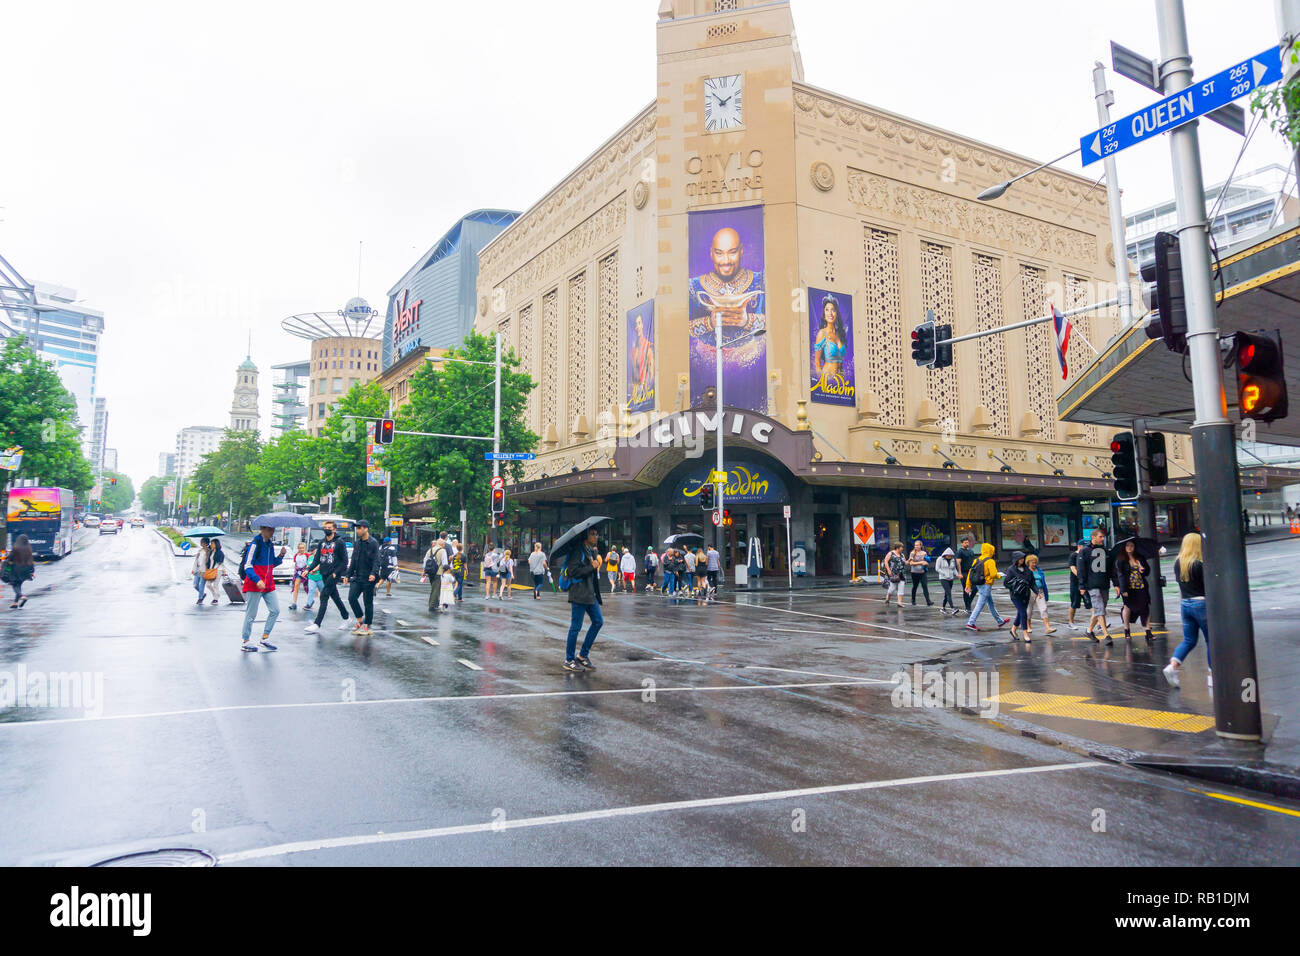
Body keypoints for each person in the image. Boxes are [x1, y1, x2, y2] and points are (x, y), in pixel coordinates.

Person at [1164, 532, 1211, 688]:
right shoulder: (1199, 564)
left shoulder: (1178, 563)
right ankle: (1212, 675)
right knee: (1211, 641)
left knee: (1189, 640)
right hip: (1201, 604)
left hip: (1185, 604)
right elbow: (1208, 587)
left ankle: (1172, 666)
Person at [562, 526, 604, 672]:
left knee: (598, 621)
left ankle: (582, 655)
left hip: (590, 594)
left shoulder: (591, 551)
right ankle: (569, 659)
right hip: (579, 594)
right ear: (586, 536)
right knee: (575, 627)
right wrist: (591, 567)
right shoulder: (577, 551)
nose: (596, 536)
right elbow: (573, 572)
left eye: (596, 533)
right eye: (593, 534)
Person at [238, 525, 286, 652]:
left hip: (268, 584)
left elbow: (272, 564)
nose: (272, 532)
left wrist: (281, 556)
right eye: (270, 529)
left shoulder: (269, 545)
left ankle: (265, 638)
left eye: (273, 529)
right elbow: (247, 565)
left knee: (275, 610)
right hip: (254, 584)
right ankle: (245, 641)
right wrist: (257, 579)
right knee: (251, 614)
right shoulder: (255, 544)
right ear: (262, 529)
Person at [305, 521, 350, 633]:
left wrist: (336, 573)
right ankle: (347, 618)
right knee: (335, 597)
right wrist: (308, 569)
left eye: (329, 528)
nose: (327, 529)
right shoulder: (321, 543)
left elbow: (345, 561)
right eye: (325, 528)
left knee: (324, 596)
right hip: (324, 573)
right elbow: (317, 560)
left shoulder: (339, 542)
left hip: (333, 574)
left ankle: (317, 623)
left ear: (334, 529)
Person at [1113, 539, 1153, 643]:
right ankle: (1126, 629)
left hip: (1141, 586)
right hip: (1128, 587)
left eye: (1131, 546)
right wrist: (1123, 589)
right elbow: (1120, 575)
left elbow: (1147, 571)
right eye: (1127, 546)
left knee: (1145, 606)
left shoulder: (1140, 558)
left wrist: (1143, 570)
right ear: (1124, 547)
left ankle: (1148, 631)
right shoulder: (1121, 560)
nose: (1129, 548)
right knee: (1127, 607)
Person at [345, 520, 380, 635]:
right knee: (351, 598)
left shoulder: (373, 543)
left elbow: (376, 560)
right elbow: (354, 560)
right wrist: (348, 575)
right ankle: (360, 620)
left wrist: (373, 574)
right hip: (357, 577)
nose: (358, 530)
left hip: (369, 577)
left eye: (359, 528)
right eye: (357, 528)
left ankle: (367, 625)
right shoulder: (357, 543)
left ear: (366, 528)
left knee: (368, 602)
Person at [1080, 528, 1113, 645]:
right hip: (1092, 585)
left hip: (1104, 583)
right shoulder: (1085, 551)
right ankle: (1106, 634)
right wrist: (1082, 586)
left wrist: (1116, 583)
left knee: (1100, 609)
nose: (1103, 539)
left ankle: (1089, 631)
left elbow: (1110, 568)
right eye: (1100, 537)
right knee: (1100, 608)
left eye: (1103, 537)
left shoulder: (1105, 551)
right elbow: (1081, 569)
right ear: (1093, 537)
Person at [964, 543, 1008, 632]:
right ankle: (970, 623)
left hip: (978, 583)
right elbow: (993, 574)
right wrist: (1000, 576)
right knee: (980, 604)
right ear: (991, 551)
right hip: (986, 584)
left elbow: (970, 573)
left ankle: (1000, 621)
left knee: (990, 603)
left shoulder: (976, 560)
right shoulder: (990, 561)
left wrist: (968, 585)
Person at [1003, 551, 1033, 642]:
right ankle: (1025, 633)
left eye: (1023, 558)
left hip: (1026, 594)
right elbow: (1006, 583)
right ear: (1016, 559)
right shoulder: (1011, 569)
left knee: (1020, 613)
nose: (1022, 560)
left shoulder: (1027, 569)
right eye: (1020, 558)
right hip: (1016, 595)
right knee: (1023, 613)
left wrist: (1037, 592)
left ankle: (1013, 630)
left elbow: (1032, 582)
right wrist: (1015, 587)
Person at [1025, 553, 1056, 637]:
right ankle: (1028, 626)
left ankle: (1047, 627)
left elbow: (1043, 582)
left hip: (1040, 591)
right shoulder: (1026, 571)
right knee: (1029, 610)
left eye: (1035, 562)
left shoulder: (1039, 570)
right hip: (1029, 592)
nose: (1034, 564)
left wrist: (1045, 592)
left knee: (1043, 608)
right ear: (1028, 562)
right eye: (1032, 562)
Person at [2, 534, 35, 609]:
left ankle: (22, 596)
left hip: (16, 570)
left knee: (15, 584)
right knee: (19, 584)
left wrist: (5, 560)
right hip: (26, 570)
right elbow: (31, 561)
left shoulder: (16, 548)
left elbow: (10, 558)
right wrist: (32, 571)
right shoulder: (28, 549)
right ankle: (15, 603)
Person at [1066, 539, 1091, 630]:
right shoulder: (1073, 555)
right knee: (1074, 603)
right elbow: (1073, 568)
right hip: (1075, 583)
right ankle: (1070, 622)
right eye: (1085, 546)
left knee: (1091, 603)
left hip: (1086, 583)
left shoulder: (1087, 555)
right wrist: (1081, 576)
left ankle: (1099, 623)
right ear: (1079, 546)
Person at [423, 536, 449, 611]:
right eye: (444, 544)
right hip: (438, 572)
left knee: (434, 588)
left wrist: (424, 571)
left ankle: (435, 603)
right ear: (442, 544)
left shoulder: (430, 550)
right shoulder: (442, 551)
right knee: (436, 589)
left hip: (430, 572)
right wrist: (446, 572)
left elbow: (425, 561)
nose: (444, 545)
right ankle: (432, 605)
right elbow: (445, 563)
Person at [907, 540, 933, 607]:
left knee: (925, 586)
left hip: (922, 572)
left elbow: (926, 562)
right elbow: (911, 563)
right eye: (915, 545)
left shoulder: (924, 553)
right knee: (915, 586)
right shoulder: (912, 553)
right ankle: (913, 600)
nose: (916, 546)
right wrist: (921, 562)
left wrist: (926, 563)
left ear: (921, 546)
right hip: (914, 572)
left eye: (917, 545)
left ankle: (928, 601)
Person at [955, 535, 977, 612]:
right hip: (964, 573)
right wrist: (959, 573)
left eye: (967, 542)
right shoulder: (959, 551)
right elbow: (958, 563)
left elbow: (974, 561)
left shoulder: (971, 551)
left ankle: (969, 602)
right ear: (961, 543)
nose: (967, 544)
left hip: (971, 572)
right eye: (965, 543)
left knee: (975, 588)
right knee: (966, 589)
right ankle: (967, 607)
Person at [934, 547, 958, 615]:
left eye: (950, 556)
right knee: (948, 593)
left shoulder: (952, 560)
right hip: (943, 578)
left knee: (946, 594)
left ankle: (943, 608)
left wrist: (957, 575)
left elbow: (954, 569)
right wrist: (944, 574)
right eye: (948, 555)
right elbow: (937, 568)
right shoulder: (940, 559)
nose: (949, 557)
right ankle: (953, 608)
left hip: (951, 578)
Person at [884, 542, 907, 608]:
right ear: (897, 548)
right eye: (901, 547)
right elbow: (886, 561)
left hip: (901, 573)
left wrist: (909, 561)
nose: (902, 548)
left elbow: (905, 563)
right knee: (892, 588)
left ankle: (899, 602)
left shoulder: (902, 555)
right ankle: (888, 596)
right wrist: (888, 570)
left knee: (901, 587)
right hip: (893, 573)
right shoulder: (891, 553)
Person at [288, 541, 310, 610]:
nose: (301, 549)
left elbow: (309, 563)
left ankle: (310, 601)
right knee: (296, 586)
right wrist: (295, 571)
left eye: (303, 548)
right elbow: (296, 564)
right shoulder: (296, 555)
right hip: (298, 572)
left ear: (305, 548)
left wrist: (307, 570)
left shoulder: (307, 555)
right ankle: (294, 603)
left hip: (306, 572)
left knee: (307, 588)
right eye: (300, 548)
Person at [191, 537, 212, 605]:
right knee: (195, 585)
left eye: (202, 542)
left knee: (201, 584)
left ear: (206, 543)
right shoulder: (200, 550)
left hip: (204, 569)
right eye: (201, 542)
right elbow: (196, 560)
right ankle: (202, 594)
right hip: (198, 569)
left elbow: (210, 561)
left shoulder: (209, 551)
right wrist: (194, 569)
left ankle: (200, 598)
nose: (201, 543)